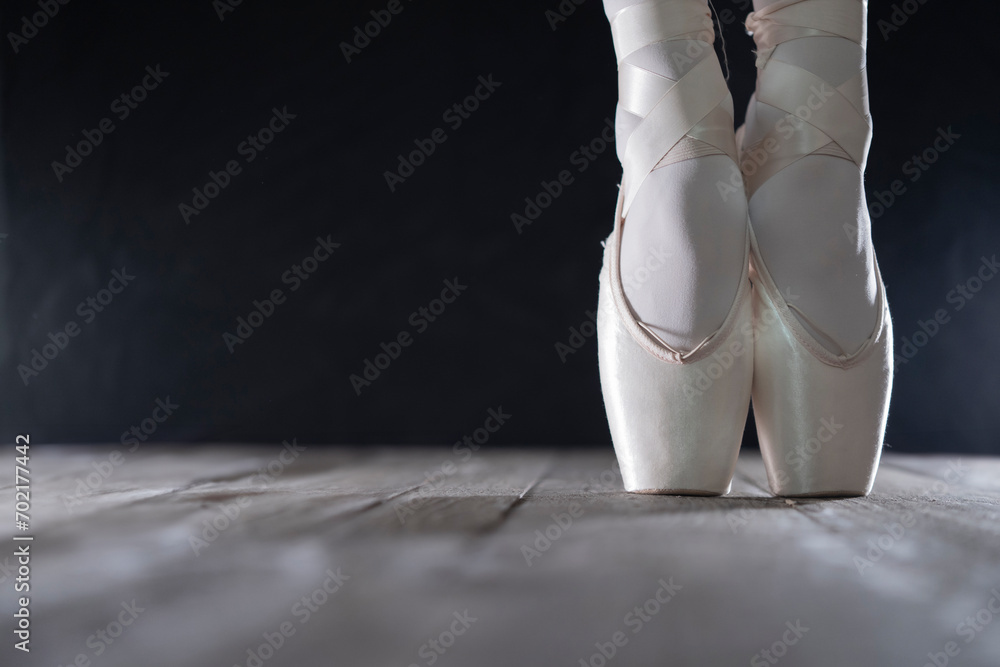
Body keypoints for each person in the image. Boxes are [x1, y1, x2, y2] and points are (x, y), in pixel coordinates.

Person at [597, 0, 893, 496]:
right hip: (837, 300)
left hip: (669, 294)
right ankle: (816, 197)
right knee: (820, 54)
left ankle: (683, 187)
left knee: (662, 56)